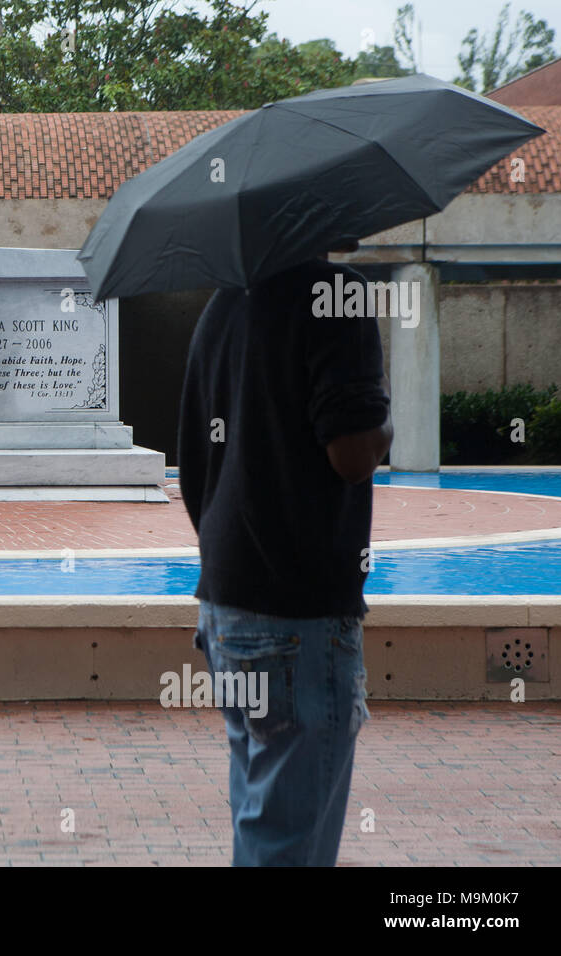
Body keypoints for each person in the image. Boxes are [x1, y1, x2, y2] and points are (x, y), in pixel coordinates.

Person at [176, 241, 392, 866]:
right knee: (288, 848)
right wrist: (386, 428)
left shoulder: (221, 308)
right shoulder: (337, 296)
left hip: (228, 608)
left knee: (264, 829)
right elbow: (351, 453)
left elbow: (196, 468)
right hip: (298, 619)